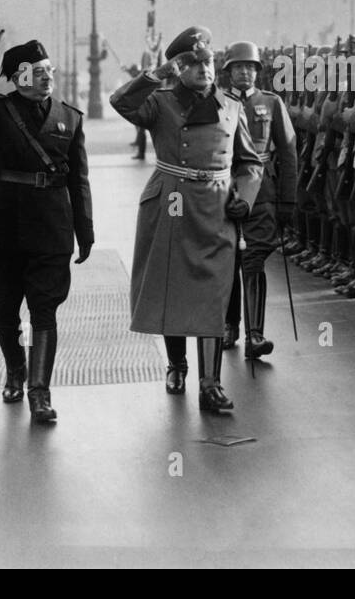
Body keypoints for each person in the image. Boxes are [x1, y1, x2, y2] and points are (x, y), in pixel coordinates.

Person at [0, 19, 93, 424]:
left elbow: (79, 179)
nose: (46, 79)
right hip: (2, 226)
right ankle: (15, 369)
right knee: (6, 308)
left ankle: (39, 393)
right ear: (17, 78)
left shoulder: (70, 118)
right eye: (37, 73)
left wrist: (86, 232)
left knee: (45, 310)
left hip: (51, 227)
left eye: (50, 71)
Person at [110, 26, 263, 411]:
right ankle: (176, 364)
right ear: (178, 68)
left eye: (207, 61)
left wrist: (244, 198)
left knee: (212, 294)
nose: (203, 69)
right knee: (174, 289)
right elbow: (121, 103)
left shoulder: (231, 106)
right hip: (172, 203)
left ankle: (209, 384)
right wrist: (156, 74)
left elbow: (249, 163)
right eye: (192, 63)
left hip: (216, 209)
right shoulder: (161, 102)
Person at [221, 40, 298, 359]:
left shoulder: (271, 102)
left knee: (252, 260)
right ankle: (229, 325)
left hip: (263, 192)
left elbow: (288, 152)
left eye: (250, 68)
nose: (245, 73)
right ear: (228, 72)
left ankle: (255, 334)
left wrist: (288, 200)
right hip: (225, 190)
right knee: (228, 261)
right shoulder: (217, 102)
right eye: (238, 68)